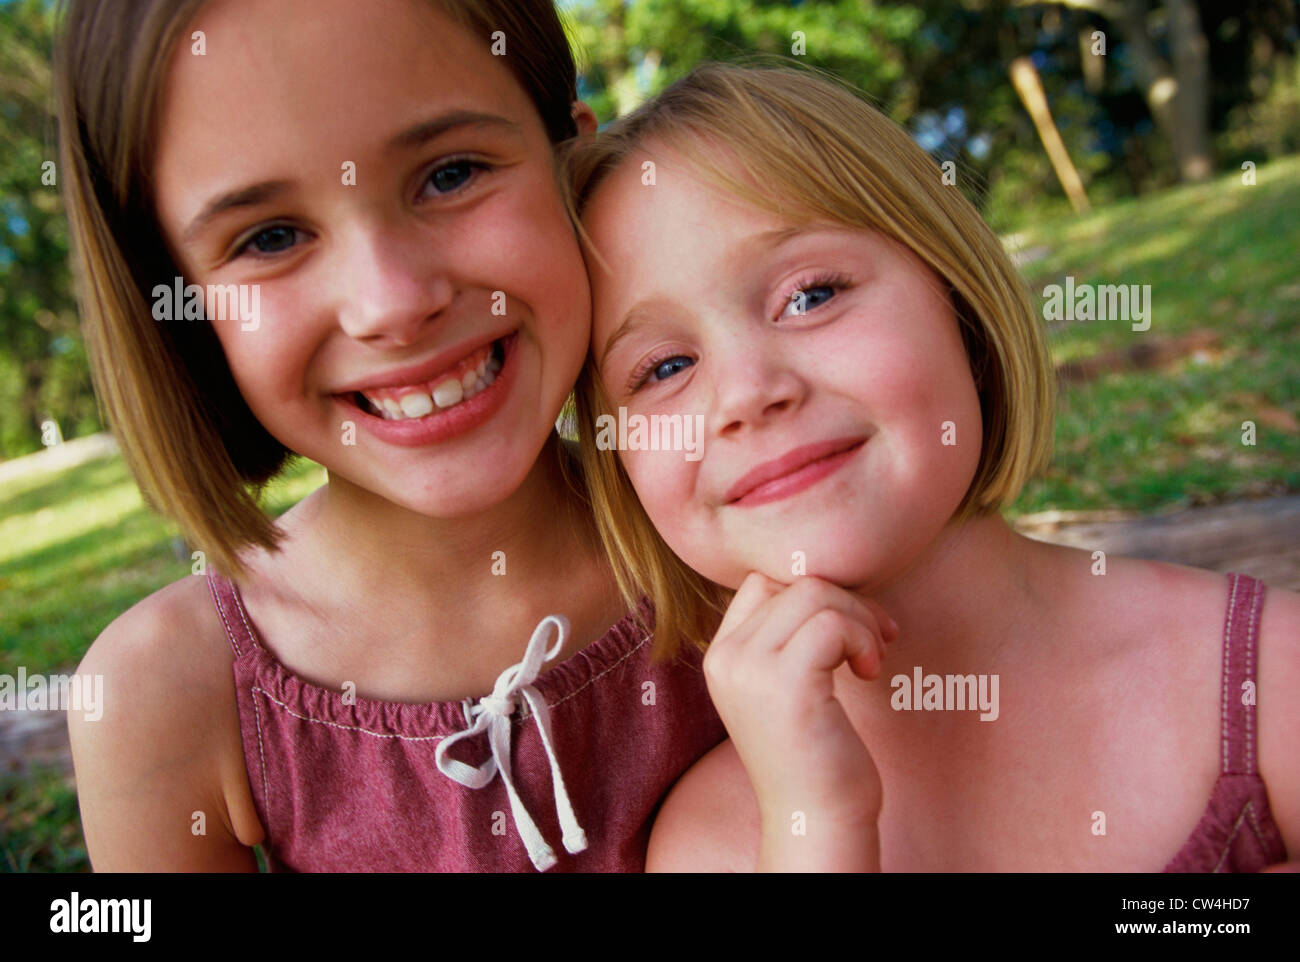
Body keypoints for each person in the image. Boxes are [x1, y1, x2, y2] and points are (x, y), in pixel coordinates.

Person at [566, 61, 1300, 871]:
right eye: (663, 368)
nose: (747, 392)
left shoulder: (1264, 680)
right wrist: (819, 828)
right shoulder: (716, 841)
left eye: (810, 295)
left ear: (960, 303)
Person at [55, 0, 725, 872]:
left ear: (572, 162)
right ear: (180, 306)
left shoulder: (736, 528)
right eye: (271, 238)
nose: (394, 302)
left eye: (449, 175)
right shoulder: (167, 689)